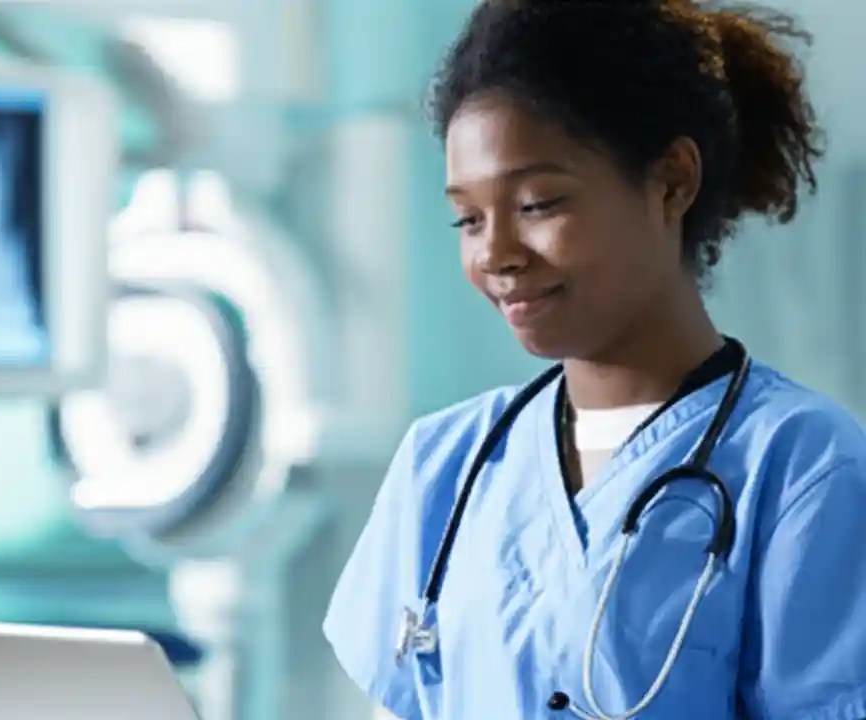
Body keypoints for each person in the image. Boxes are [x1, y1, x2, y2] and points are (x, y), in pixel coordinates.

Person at [323, 1, 866, 718]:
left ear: (672, 181)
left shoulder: (803, 468)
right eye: (468, 218)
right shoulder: (444, 465)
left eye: (539, 203)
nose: (495, 254)